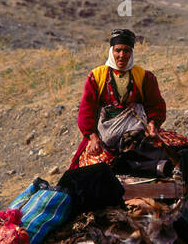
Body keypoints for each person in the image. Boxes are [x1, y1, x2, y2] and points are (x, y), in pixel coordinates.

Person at [69, 28, 167, 169]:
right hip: (104, 134)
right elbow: (87, 109)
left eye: (127, 51)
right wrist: (92, 137)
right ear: (111, 51)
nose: (122, 55)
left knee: (165, 150)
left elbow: (155, 104)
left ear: (132, 53)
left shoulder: (144, 76)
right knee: (89, 167)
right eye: (118, 50)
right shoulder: (96, 76)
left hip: (136, 132)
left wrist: (153, 124)